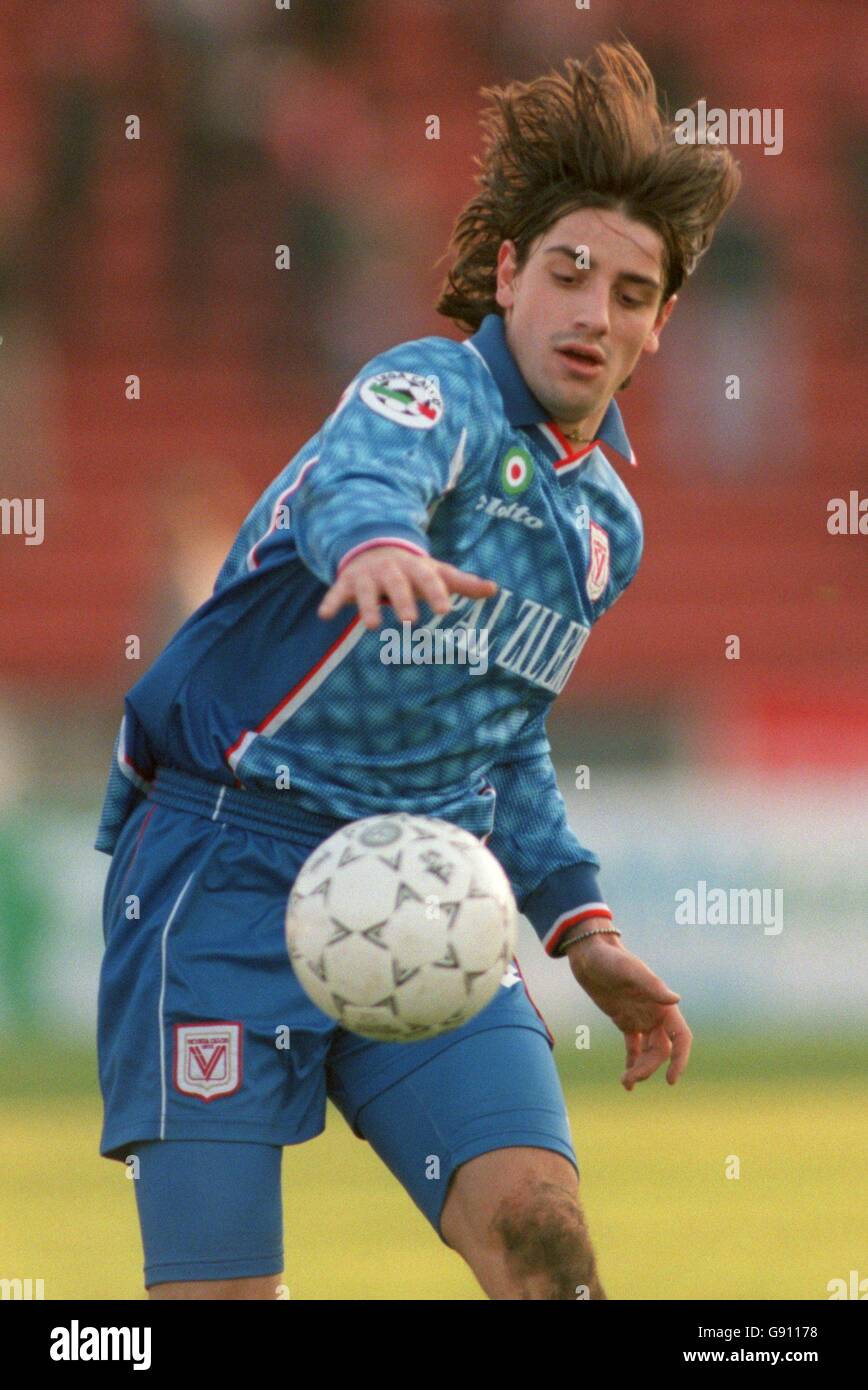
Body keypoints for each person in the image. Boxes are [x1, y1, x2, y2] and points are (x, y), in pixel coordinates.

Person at [95, 40, 740, 1300]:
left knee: (546, 1244)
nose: (591, 313)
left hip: (430, 876)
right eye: (566, 273)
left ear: (660, 327)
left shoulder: (607, 527)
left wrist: (581, 926)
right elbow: (361, 479)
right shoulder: (425, 385)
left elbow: (501, 740)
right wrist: (381, 543)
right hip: (224, 871)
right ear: (506, 275)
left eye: (628, 292)